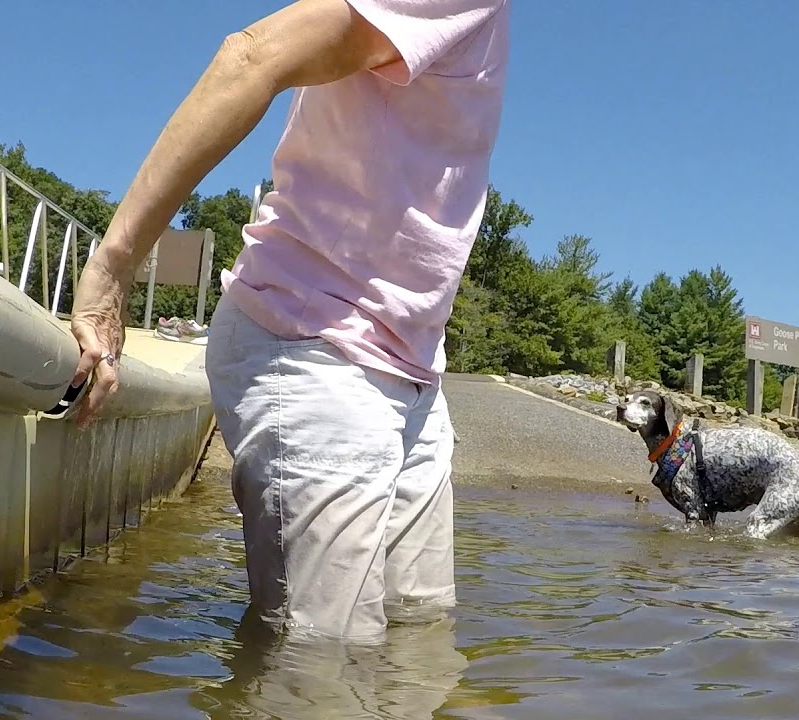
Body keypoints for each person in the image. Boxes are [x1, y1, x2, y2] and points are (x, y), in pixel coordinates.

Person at [67, 0, 511, 644]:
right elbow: (251, 54)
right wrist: (111, 270)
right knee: (322, 670)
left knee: (421, 638)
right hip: (319, 344)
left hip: (414, 370)